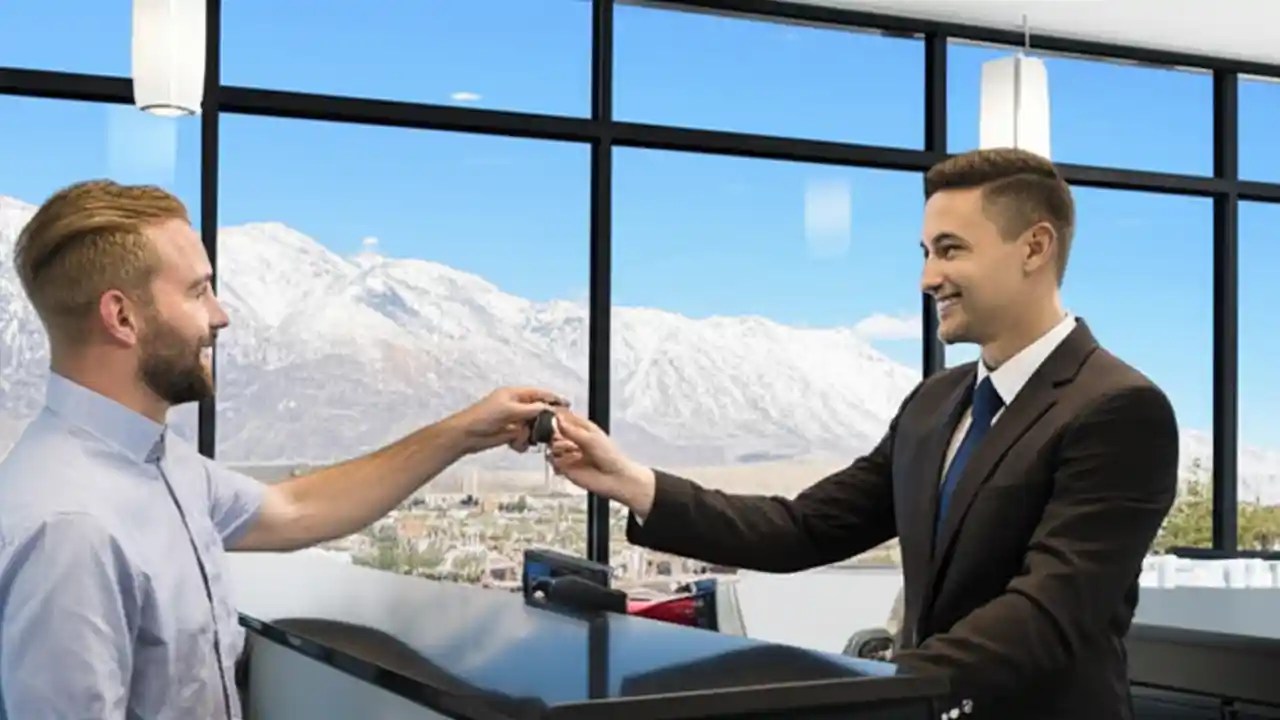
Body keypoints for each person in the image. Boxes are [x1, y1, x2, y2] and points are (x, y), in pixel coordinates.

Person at [548, 148, 1179, 720]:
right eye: (926, 252)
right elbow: (805, 528)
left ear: (1034, 249)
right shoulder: (936, 402)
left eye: (952, 249)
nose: (928, 278)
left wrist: (872, 689)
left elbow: (1048, 612)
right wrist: (631, 483)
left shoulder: (1119, 410)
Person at [0, 179, 564, 720]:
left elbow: (295, 511)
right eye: (198, 291)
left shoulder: (154, 465)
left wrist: (464, 431)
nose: (220, 316)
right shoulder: (73, 528)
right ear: (121, 317)